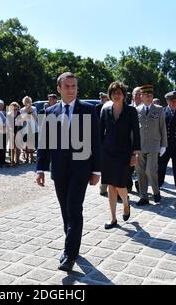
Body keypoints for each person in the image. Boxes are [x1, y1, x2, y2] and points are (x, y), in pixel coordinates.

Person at [36, 72, 101, 272]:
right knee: (65, 210)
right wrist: (40, 168)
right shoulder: (50, 111)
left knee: (74, 209)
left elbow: (96, 141)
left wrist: (96, 169)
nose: (71, 89)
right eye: (67, 86)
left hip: (81, 169)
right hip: (59, 170)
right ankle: (73, 243)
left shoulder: (89, 110)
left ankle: (69, 254)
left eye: (74, 86)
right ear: (59, 88)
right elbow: (44, 142)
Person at [100, 82, 141, 229]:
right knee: (111, 184)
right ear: (110, 95)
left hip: (124, 152)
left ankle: (125, 202)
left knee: (120, 183)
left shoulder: (131, 111)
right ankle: (113, 218)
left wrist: (135, 154)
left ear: (124, 95)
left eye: (119, 92)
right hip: (108, 152)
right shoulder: (105, 110)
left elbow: (136, 133)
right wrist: (97, 152)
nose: (117, 95)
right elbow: (100, 132)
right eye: (114, 93)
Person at [135, 85, 168, 206]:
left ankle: (156, 192)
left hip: (154, 145)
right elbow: (134, 130)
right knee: (140, 171)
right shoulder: (137, 110)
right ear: (141, 96)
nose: (148, 97)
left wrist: (164, 145)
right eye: (146, 95)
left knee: (150, 170)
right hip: (140, 146)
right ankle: (143, 196)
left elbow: (162, 128)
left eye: (150, 95)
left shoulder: (159, 109)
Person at [96, 92, 110, 196]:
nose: (102, 99)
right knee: (106, 167)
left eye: (104, 97)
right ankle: (103, 187)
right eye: (102, 98)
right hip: (105, 140)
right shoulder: (100, 107)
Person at [21, 96, 39, 164]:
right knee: (26, 144)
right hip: (25, 128)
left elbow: (36, 118)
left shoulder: (34, 108)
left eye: (28, 101)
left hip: (33, 128)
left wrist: (31, 111)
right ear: (24, 102)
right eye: (26, 101)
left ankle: (31, 158)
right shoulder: (22, 110)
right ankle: (26, 158)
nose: (27, 102)